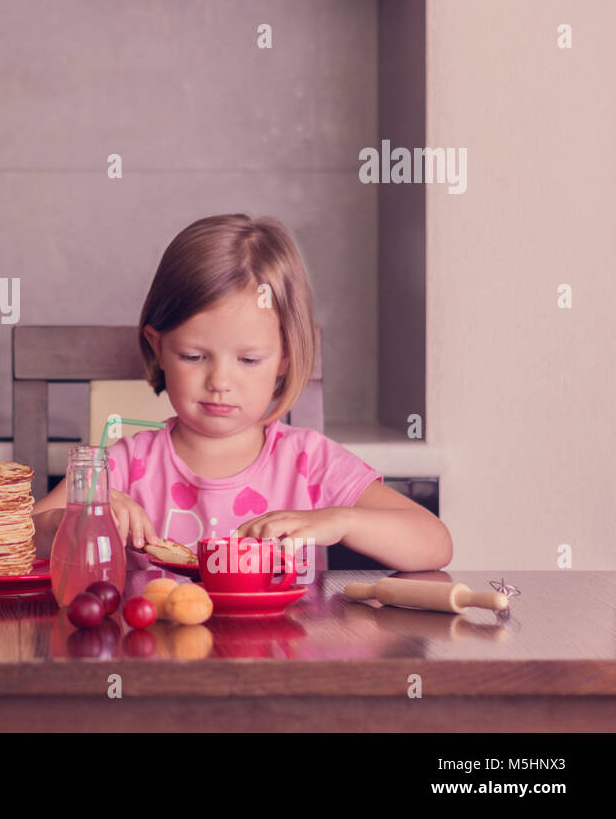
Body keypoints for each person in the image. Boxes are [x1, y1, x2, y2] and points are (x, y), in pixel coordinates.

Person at [33, 213, 453, 574]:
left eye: (249, 360)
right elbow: (19, 535)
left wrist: (340, 521)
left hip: (286, 663)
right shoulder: (123, 466)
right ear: (158, 347)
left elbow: (434, 543)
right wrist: (80, 518)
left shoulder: (309, 462)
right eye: (194, 356)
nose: (220, 381)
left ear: (285, 358)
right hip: (159, 662)